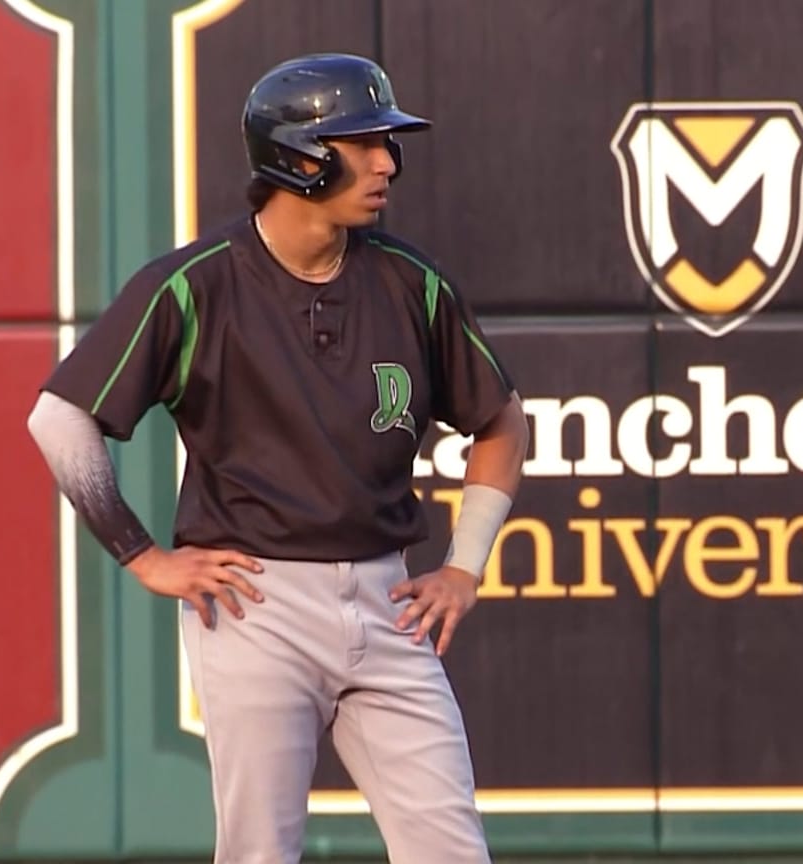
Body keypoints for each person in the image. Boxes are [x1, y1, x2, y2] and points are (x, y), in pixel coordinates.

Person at [26, 53, 527, 863]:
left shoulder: (412, 283)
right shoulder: (193, 285)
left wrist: (465, 565)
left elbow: (501, 420)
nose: (386, 163)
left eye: (386, 143)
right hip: (256, 604)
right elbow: (59, 418)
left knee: (452, 852)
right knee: (260, 852)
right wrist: (143, 556)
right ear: (299, 156)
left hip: (387, 598)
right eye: (362, 143)